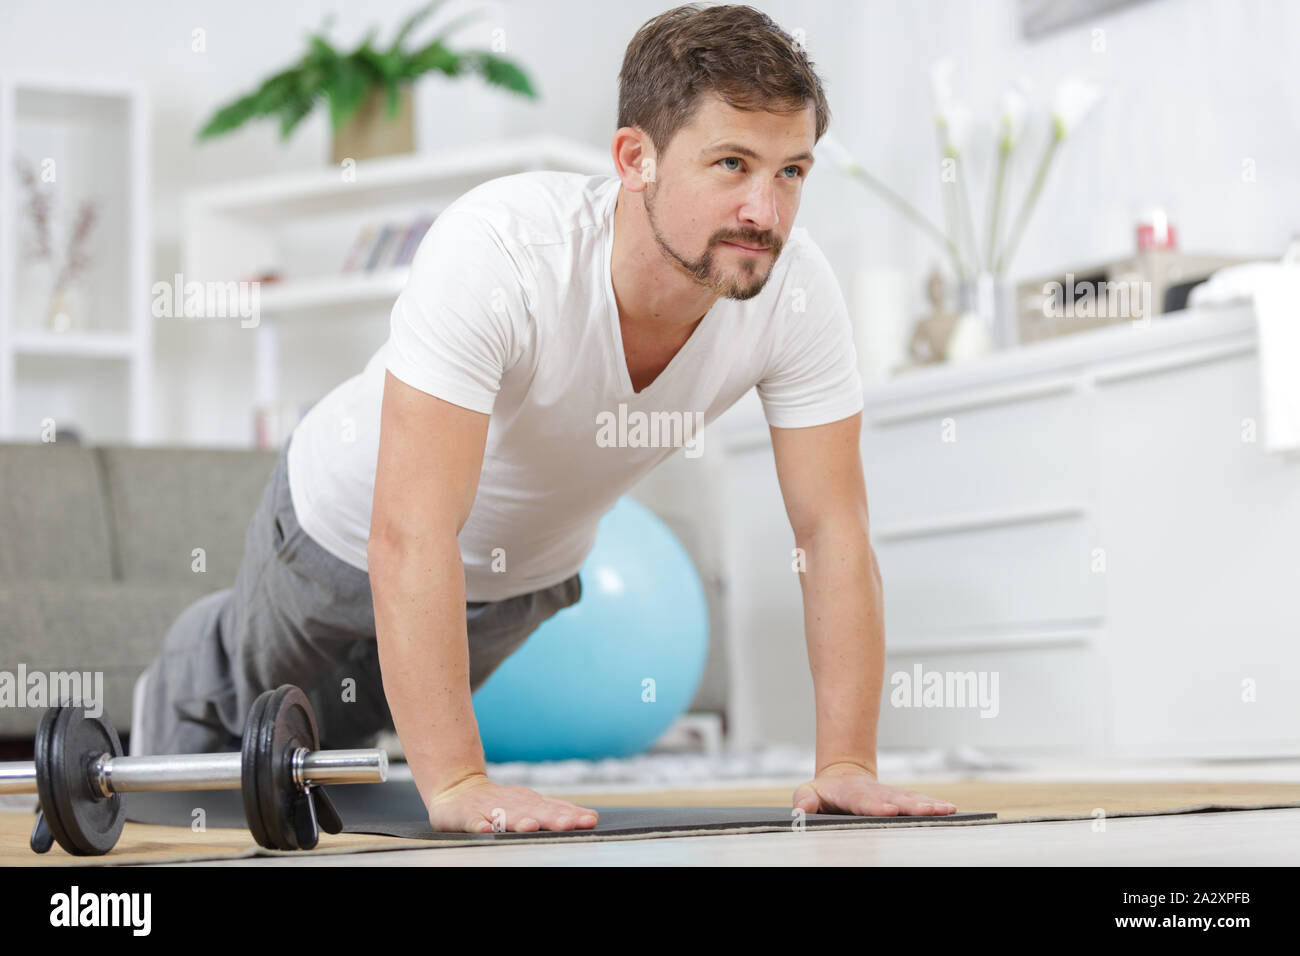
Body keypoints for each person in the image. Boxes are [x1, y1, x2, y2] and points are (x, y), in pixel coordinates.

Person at [134, 2, 958, 834]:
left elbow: (831, 531)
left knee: (339, 738)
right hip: (336, 533)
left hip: (519, 586)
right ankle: (191, 657)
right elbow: (409, 531)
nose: (766, 211)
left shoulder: (797, 290)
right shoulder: (502, 250)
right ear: (635, 159)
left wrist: (848, 765)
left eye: (792, 173)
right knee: (239, 713)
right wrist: (457, 782)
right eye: (733, 164)